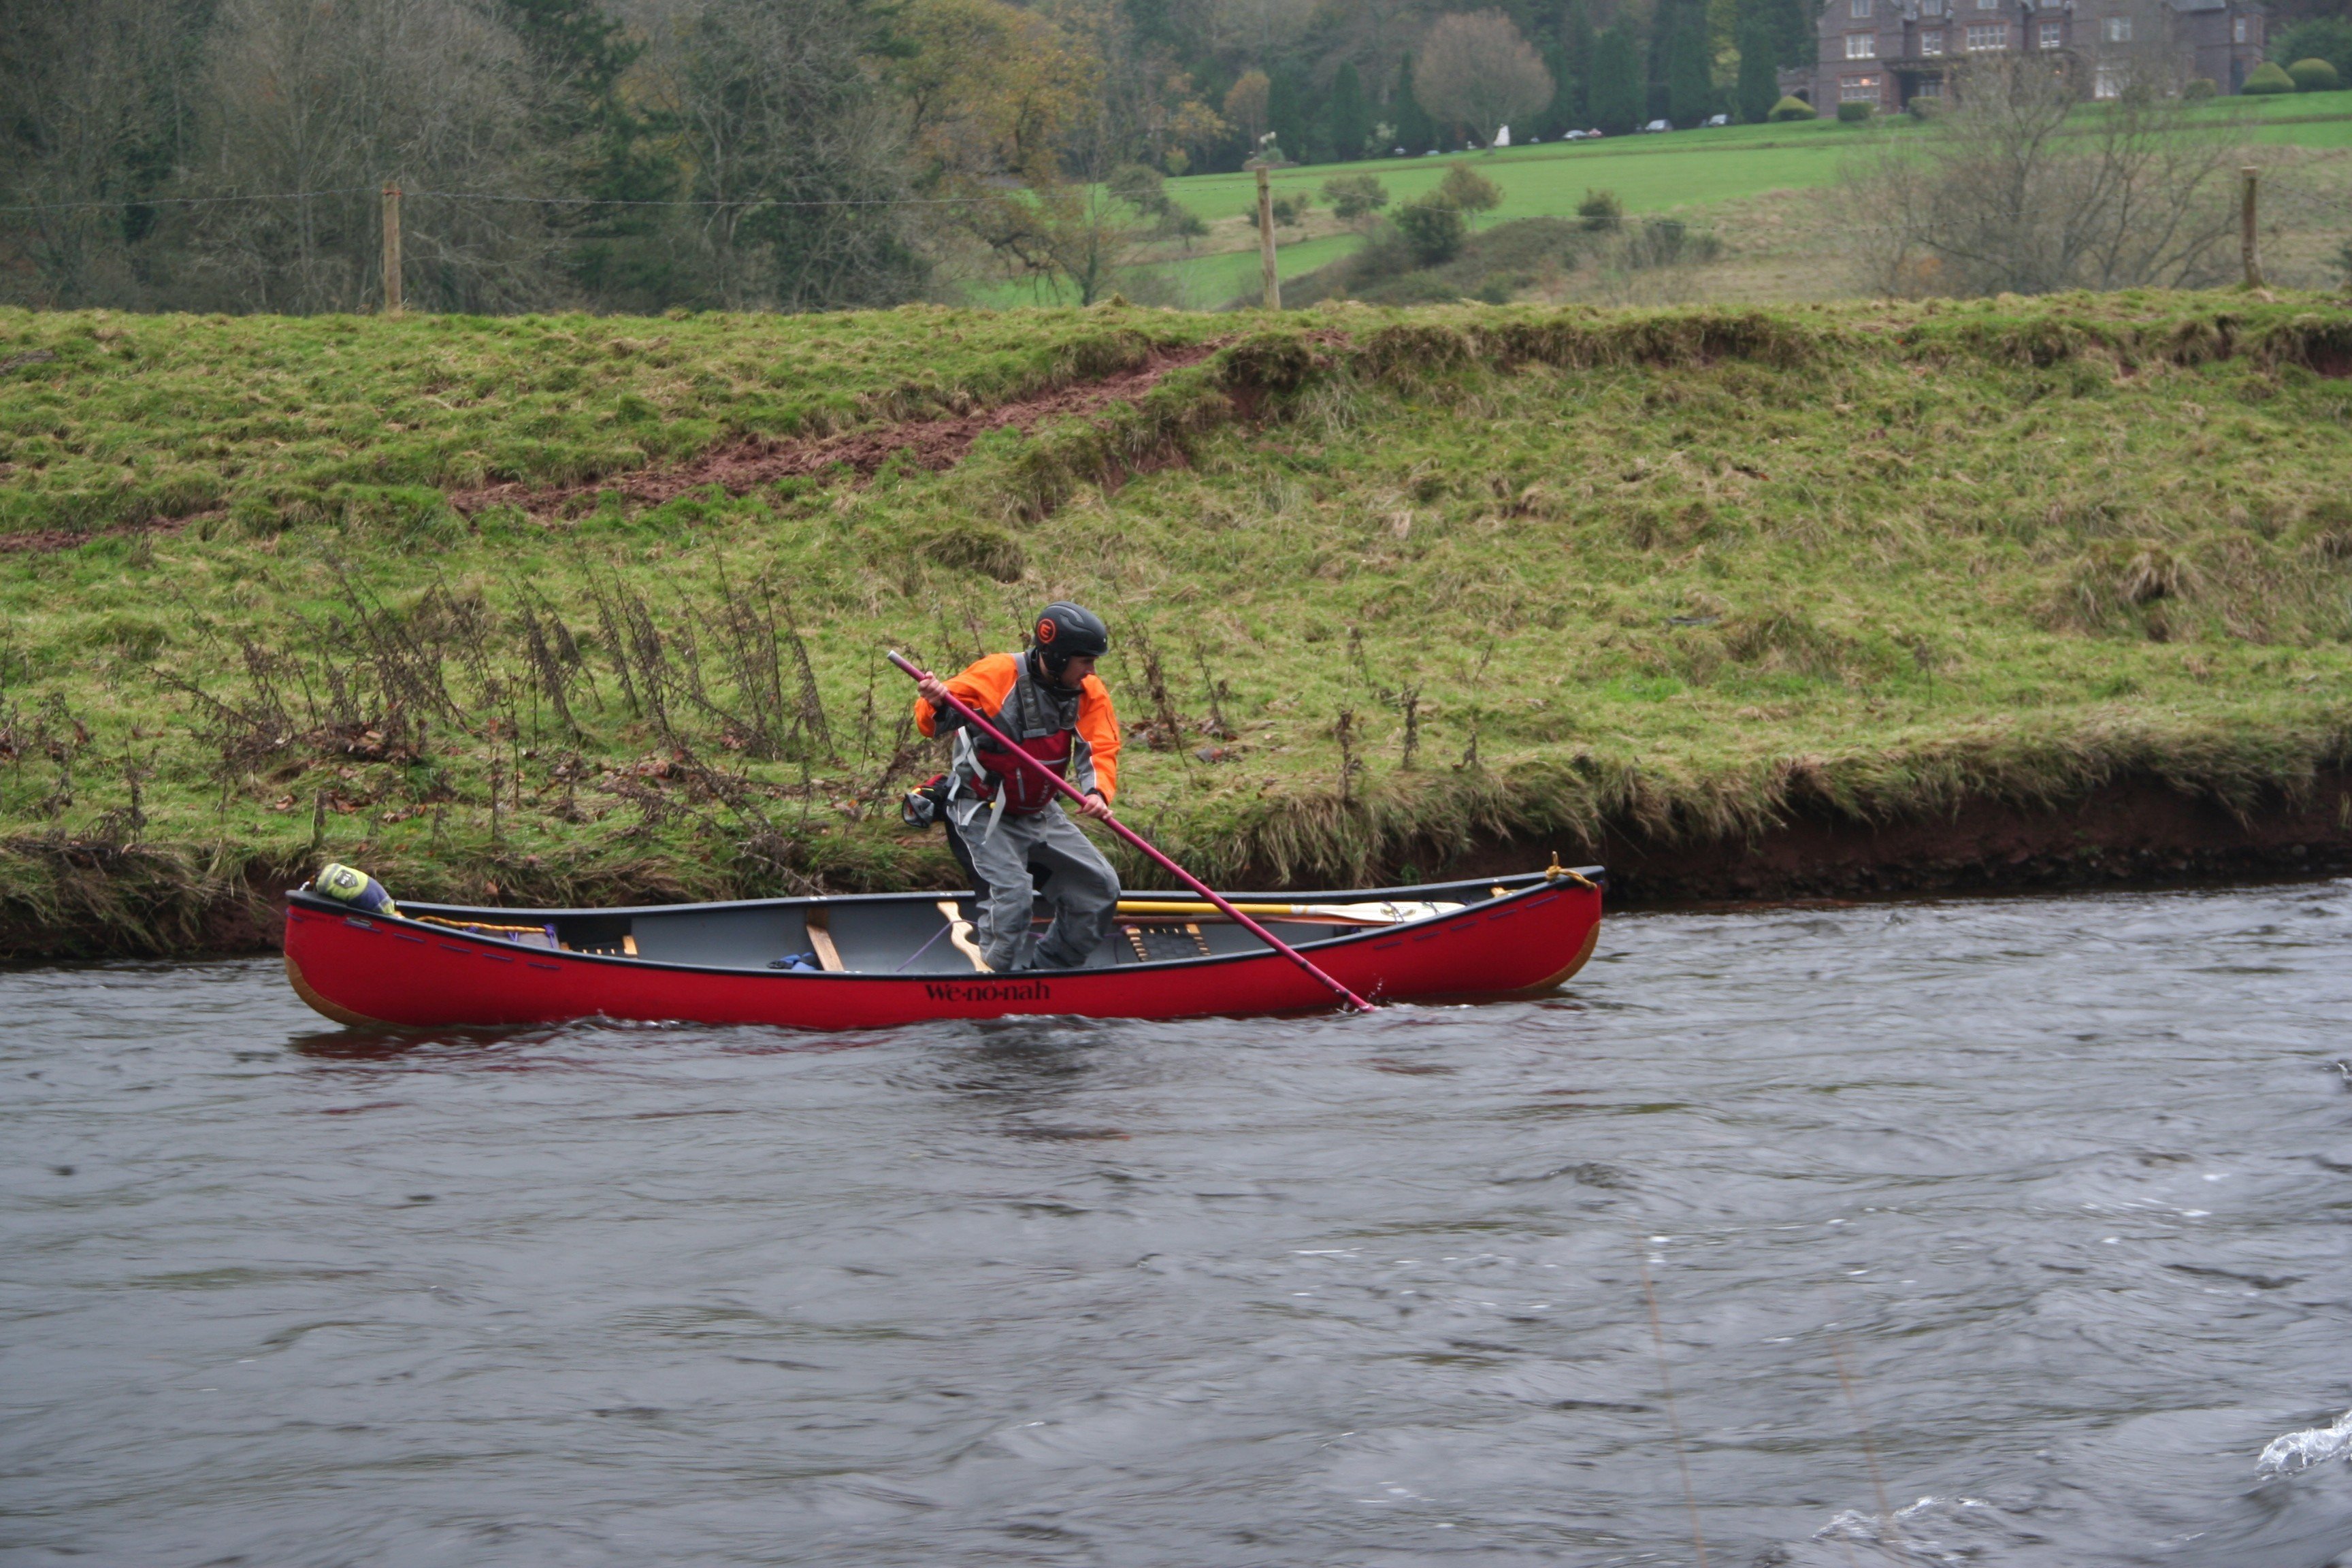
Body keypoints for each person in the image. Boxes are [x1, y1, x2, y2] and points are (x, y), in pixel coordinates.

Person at [913, 603, 1124, 972]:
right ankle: (995, 985)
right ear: (1056, 657)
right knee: (1013, 898)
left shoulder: (1088, 690)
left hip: (1040, 813)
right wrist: (933, 700)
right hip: (981, 811)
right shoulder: (998, 673)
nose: (1091, 670)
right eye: (1084, 661)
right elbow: (935, 721)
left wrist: (1097, 792)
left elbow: (1100, 746)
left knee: (1100, 887)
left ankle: (1053, 972)